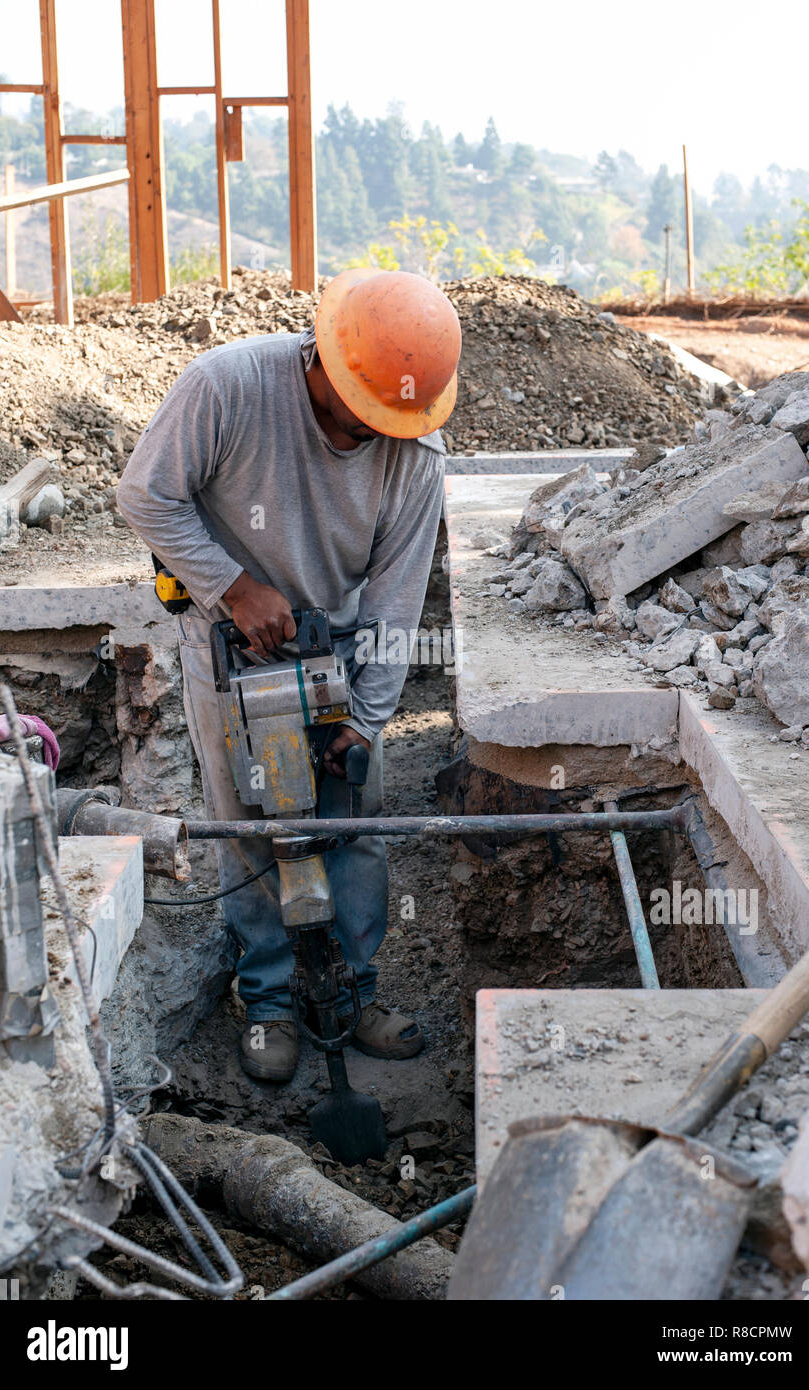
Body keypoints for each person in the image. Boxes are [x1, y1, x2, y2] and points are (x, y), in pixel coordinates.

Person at [117, 268, 461, 1082]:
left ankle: (351, 993)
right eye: (365, 417)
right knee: (248, 827)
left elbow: (394, 603)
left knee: (357, 826)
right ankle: (269, 1001)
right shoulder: (227, 387)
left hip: (340, 649)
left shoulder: (414, 454)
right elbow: (147, 494)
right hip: (229, 649)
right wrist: (233, 587)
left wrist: (365, 722)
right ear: (326, 368)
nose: (378, 435)